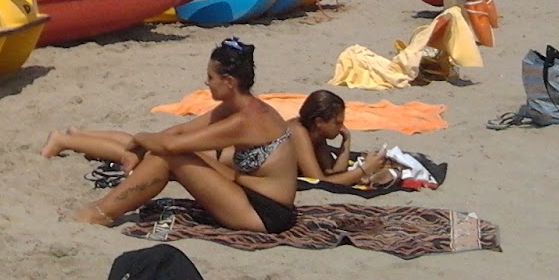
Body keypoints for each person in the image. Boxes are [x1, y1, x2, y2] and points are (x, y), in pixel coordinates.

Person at [42, 39, 297, 233]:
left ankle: (100, 213)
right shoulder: (237, 107)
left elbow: (172, 146)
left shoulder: (247, 120)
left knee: (168, 157)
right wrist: (139, 148)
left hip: (266, 213)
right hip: (248, 190)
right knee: (165, 154)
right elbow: (181, 131)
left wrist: (139, 139)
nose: (206, 82)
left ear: (229, 82)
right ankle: (103, 208)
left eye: (211, 77)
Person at [285, 90, 393, 187]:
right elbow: (319, 182)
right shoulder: (298, 132)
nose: (341, 128)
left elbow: (334, 172)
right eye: (337, 123)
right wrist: (365, 169)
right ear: (319, 122)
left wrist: (346, 139)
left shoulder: (316, 133)